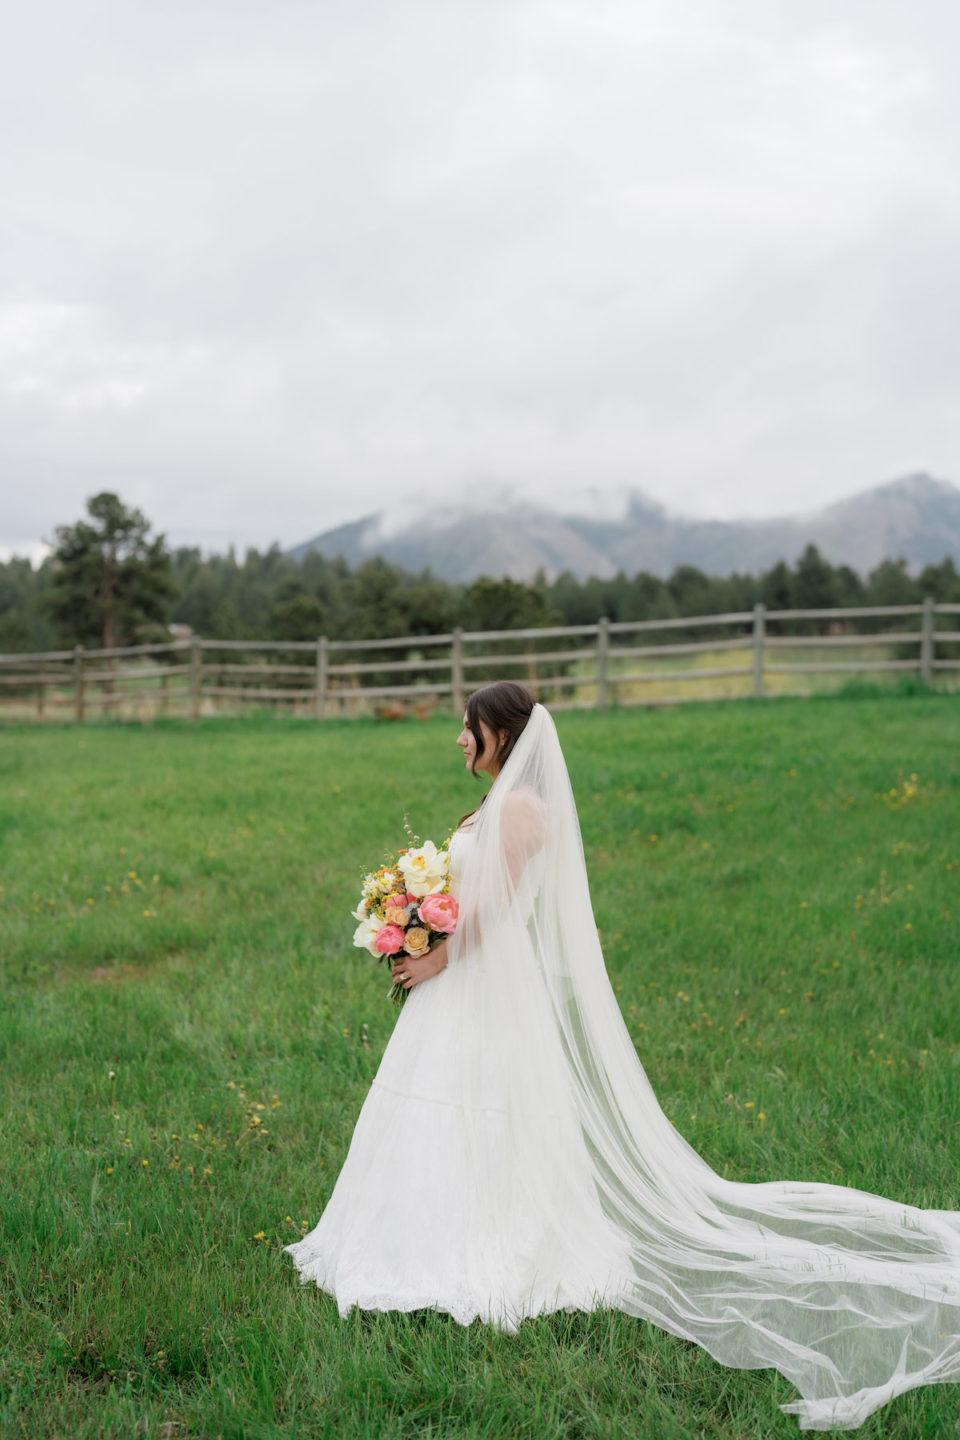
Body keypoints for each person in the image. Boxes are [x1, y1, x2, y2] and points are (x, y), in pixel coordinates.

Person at [286, 681, 960, 1432]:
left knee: (482, 1106)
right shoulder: (500, 802)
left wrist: (432, 958)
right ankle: (411, 1232)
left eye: (467, 726)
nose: (457, 738)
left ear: (501, 734)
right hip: (462, 985)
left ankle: (490, 1248)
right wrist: (413, 917)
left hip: (480, 985)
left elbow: (500, 908)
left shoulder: (520, 811)